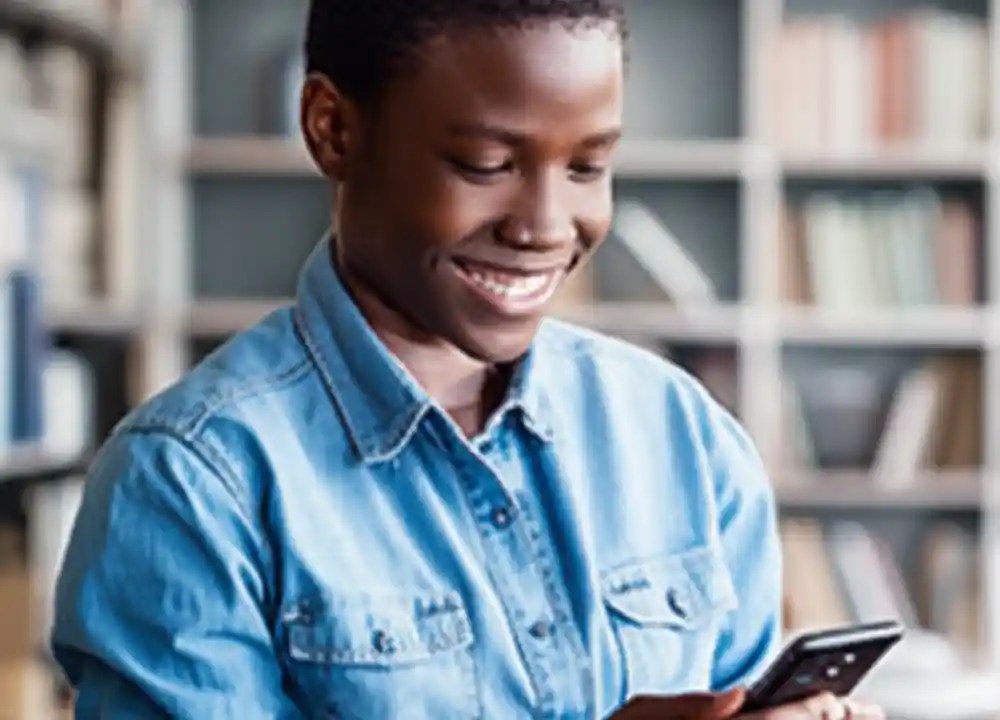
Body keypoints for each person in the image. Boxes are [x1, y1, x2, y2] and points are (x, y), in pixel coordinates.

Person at [51, 1, 883, 717]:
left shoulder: (686, 438)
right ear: (332, 128)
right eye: (486, 165)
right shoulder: (190, 484)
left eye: (588, 167)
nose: (546, 226)